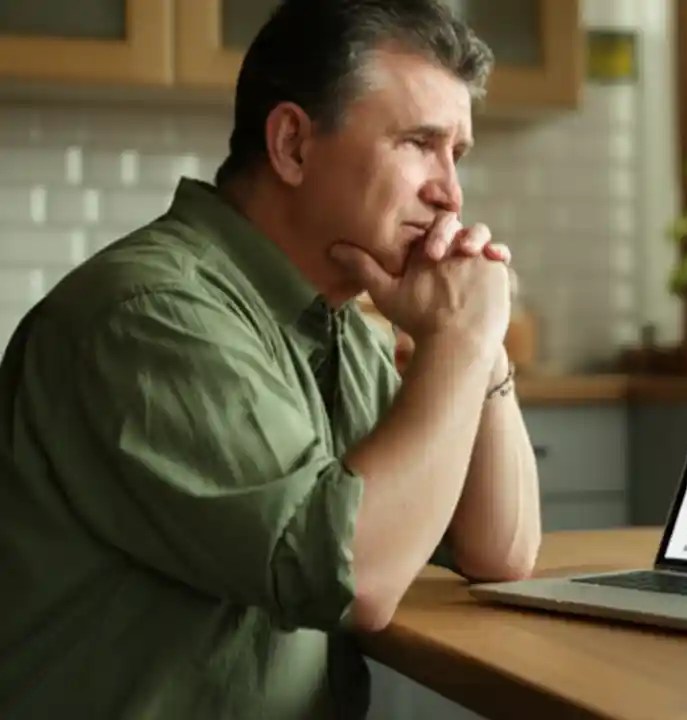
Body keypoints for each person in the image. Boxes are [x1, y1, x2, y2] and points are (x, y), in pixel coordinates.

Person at [0, 1, 541, 717]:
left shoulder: (339, 325)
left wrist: (484, 352)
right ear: (291, 144)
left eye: (457, 154)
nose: (450, 193)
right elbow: (361, 577)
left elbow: (498, 553)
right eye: (417, 143)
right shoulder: (151, 315)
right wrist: (458, 342)